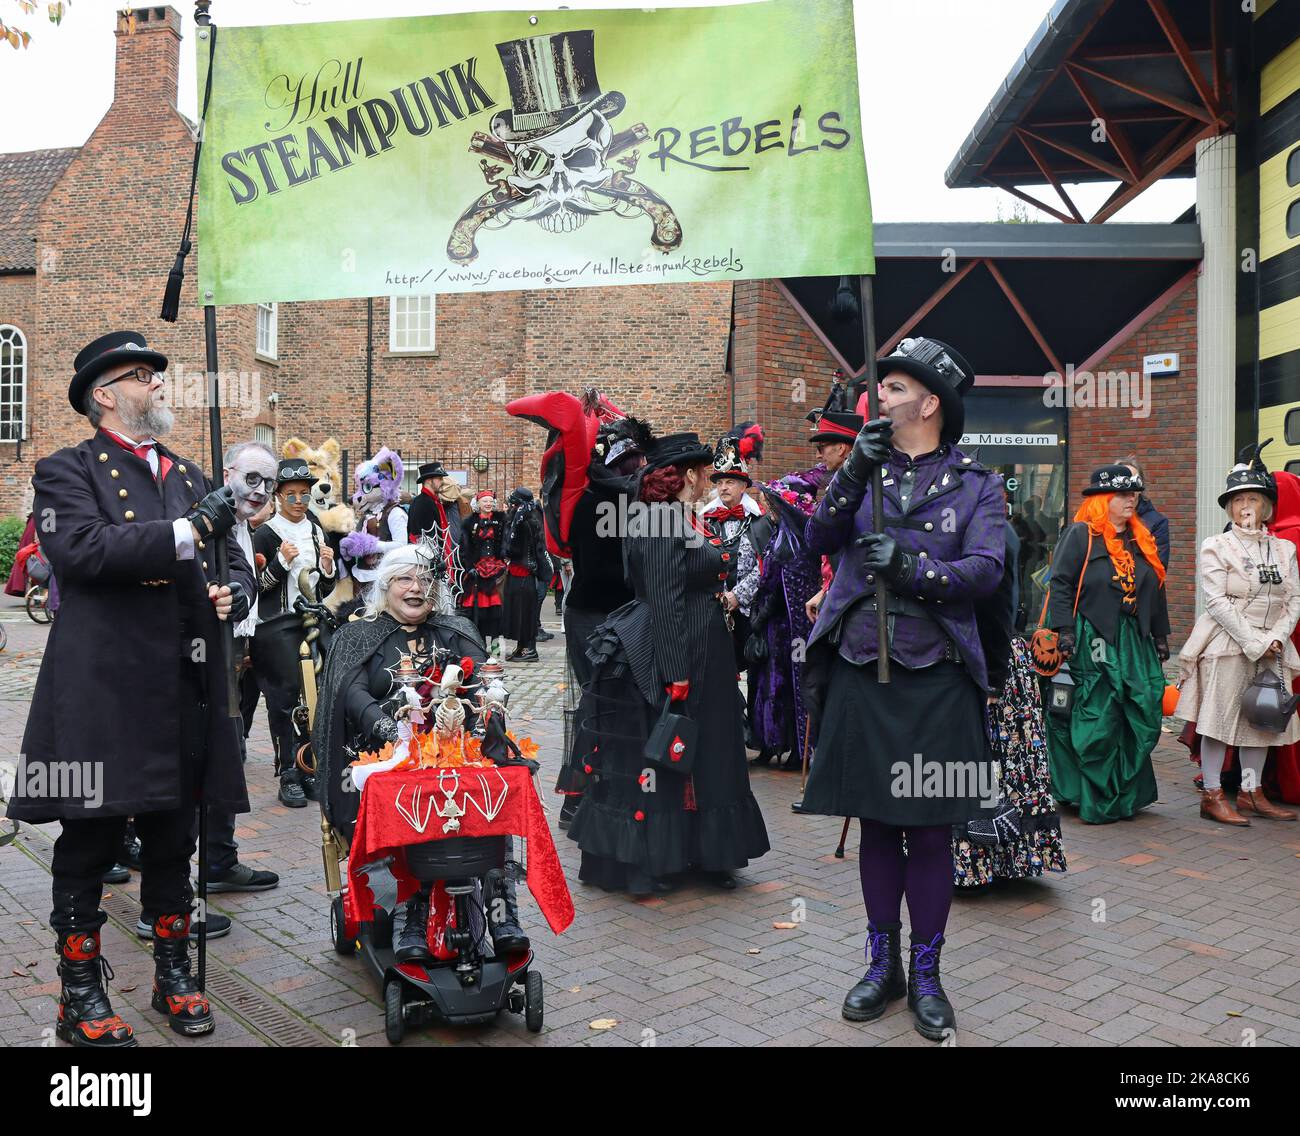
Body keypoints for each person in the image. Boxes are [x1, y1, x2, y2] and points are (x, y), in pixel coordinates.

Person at [7, 331, 254, 1047]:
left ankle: (174, 975)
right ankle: (80, 994)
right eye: (143, 375)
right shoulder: (65, 471)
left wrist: (231, 592)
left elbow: (233, 558)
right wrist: (182, 532)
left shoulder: (189, 473)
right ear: (105, 396)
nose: (159, 384)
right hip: (103, 687)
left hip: (181, 681)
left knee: (176, 837)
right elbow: (77, 551)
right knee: (90, 840)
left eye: (157, 373)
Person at [800, 336, 1004, 1041]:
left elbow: (986, 572)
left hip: (938, 678)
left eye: (890, 388)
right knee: (880, 826)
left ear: (929, 402)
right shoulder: (865, 469)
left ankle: (927, 974)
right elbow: (817, 540)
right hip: (863, 668)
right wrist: (855, 465)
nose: (877, 396)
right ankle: (880, 964)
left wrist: (914, 568)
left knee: (931, 831)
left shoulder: (980, 484)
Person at [569, 432, 770, 895]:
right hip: (675, 653)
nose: (706, 478)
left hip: (706, 653)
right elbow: (663, 600)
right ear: (684, 476)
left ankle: (699, 852)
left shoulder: (678, 518)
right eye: (701, 470)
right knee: (663, 753)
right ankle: (651, 859)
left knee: (703, 750)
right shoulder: (658, 520)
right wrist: (676, 671)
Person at [311, 544, 529, 960]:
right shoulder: (358, 635)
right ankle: (411, 912)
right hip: (384, 757)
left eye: (425, 580)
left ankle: (502, 912)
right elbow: (350, 694)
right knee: (406, 791)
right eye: (405, 580)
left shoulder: (456, 628)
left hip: (455, 753)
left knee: (495, 787)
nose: (416, 588)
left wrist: (483, 713)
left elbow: (483, 680)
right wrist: (391, 731)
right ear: (384, 587)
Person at [1175, 463, 1299, 824]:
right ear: (1230, 508)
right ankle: (1212, 795)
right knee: (1220, 720)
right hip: (1227, 644)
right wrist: (1254, 641)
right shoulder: (1217, 545)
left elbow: (1293, 600)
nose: (1245, 505)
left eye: (1254, 499)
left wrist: (1275, 637)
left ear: (1266, 506)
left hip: (1272, 646)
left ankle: (1250, 792)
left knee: (1260, 722)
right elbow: (1216, 601)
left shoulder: (1284, 549)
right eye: (1238, 499)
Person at [1045, 464, 1169, 825]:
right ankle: (1093, 796)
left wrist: (1160, 635)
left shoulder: (1140, 538)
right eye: (1123, 494)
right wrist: (1064, 632)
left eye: (1134, 494)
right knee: (1098, 715)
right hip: (1093, 636)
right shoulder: (1081, 535)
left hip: (1135, 641)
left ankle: (1125, 794)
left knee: (1141, 709)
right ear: (1104, 500)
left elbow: (1155, 589)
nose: (1132, 500)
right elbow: (1062, 584)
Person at [955, 507, 1067, 886]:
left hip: (988, 655)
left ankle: (984, 861)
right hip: (967, 656)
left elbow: (995, 604)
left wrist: (992, 677)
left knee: (995, 759)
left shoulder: (990, 529)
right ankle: (978, 861)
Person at [557, 415, 654, 826]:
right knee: (600, 703)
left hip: (614, 615)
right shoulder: (598, 504)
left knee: (608, 704)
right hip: (595, 616)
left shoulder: (626, 502)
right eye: (636, 462)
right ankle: (581, 794)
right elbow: (597, 569)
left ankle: (599, 790)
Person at [254, 457, 338, 806]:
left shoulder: (316, 529)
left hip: (312, 622)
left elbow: (324, 589)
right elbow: (258, 586)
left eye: (304, 494)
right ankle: (288, 771)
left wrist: (328, 568)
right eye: (292, 495)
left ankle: (310, 767)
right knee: (286, 699)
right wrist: (280, 562)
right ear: (278, 496)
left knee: (317, 694)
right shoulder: (265, 533)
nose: (300, 502)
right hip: (278, 627)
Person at [702, 432, 773, 756]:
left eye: (731, 481)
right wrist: (719, 597)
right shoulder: (704, 521)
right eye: (719, 482)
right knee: (720, 676)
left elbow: (765, 567)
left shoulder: (759, 522)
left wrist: (738, 596)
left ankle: (761, 733)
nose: (724, 487)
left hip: (750, 614)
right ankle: (730, 732)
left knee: (759, 673)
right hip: (716, 613)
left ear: (744, 485)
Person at [460, 490, 507, 655]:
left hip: (496, 569)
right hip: (476, 571)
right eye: (484, 501)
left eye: (490, 501)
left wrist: (503, 561)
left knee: (495, 613)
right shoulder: (469, 522)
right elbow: (464, 548)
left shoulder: (501, 520)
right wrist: (469, 567)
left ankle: (495, 650)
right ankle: (478, 648)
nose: (488, 504)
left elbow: (506, 542)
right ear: (478, 504)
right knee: (477, 612)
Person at [502, 487, 547, 661]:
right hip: (518, 573)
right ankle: (522, 647)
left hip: (524, 573)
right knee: (519, 612)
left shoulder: (525, 522)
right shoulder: (523, 519)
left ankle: (529, 650)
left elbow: (514, 549)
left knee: (525, 613)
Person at [1118, 455, 1170, 568]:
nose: (1129, 490)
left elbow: (1159, 567)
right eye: (1123, 482)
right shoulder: (1100, 518)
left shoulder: (1157, 522)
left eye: (1134, 482)